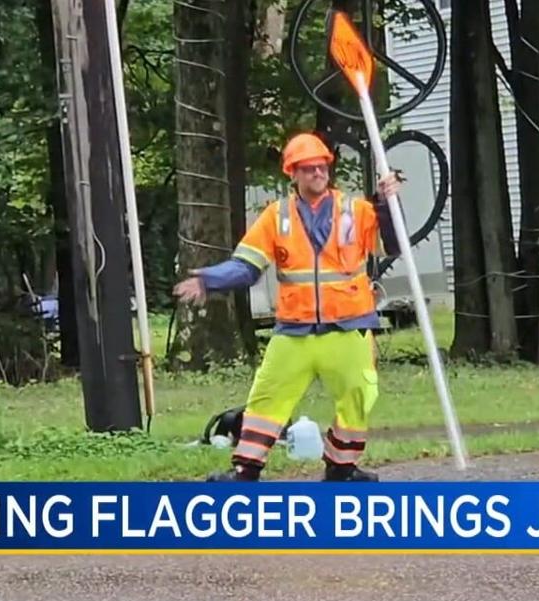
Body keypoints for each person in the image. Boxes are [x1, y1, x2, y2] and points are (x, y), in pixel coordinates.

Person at [173, 132, 404, 482]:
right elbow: (247, 265)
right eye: (308, 168)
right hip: (294, 331)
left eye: (322, 166)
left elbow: (391, 245)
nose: (317, 173)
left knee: (359, 396)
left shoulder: (354, 210)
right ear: (292, 174)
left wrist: (387, 207)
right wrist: (209, 280)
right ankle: (245, 471)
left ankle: (342, 467)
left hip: (349, 326)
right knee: (266, 399)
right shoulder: (275, 216)